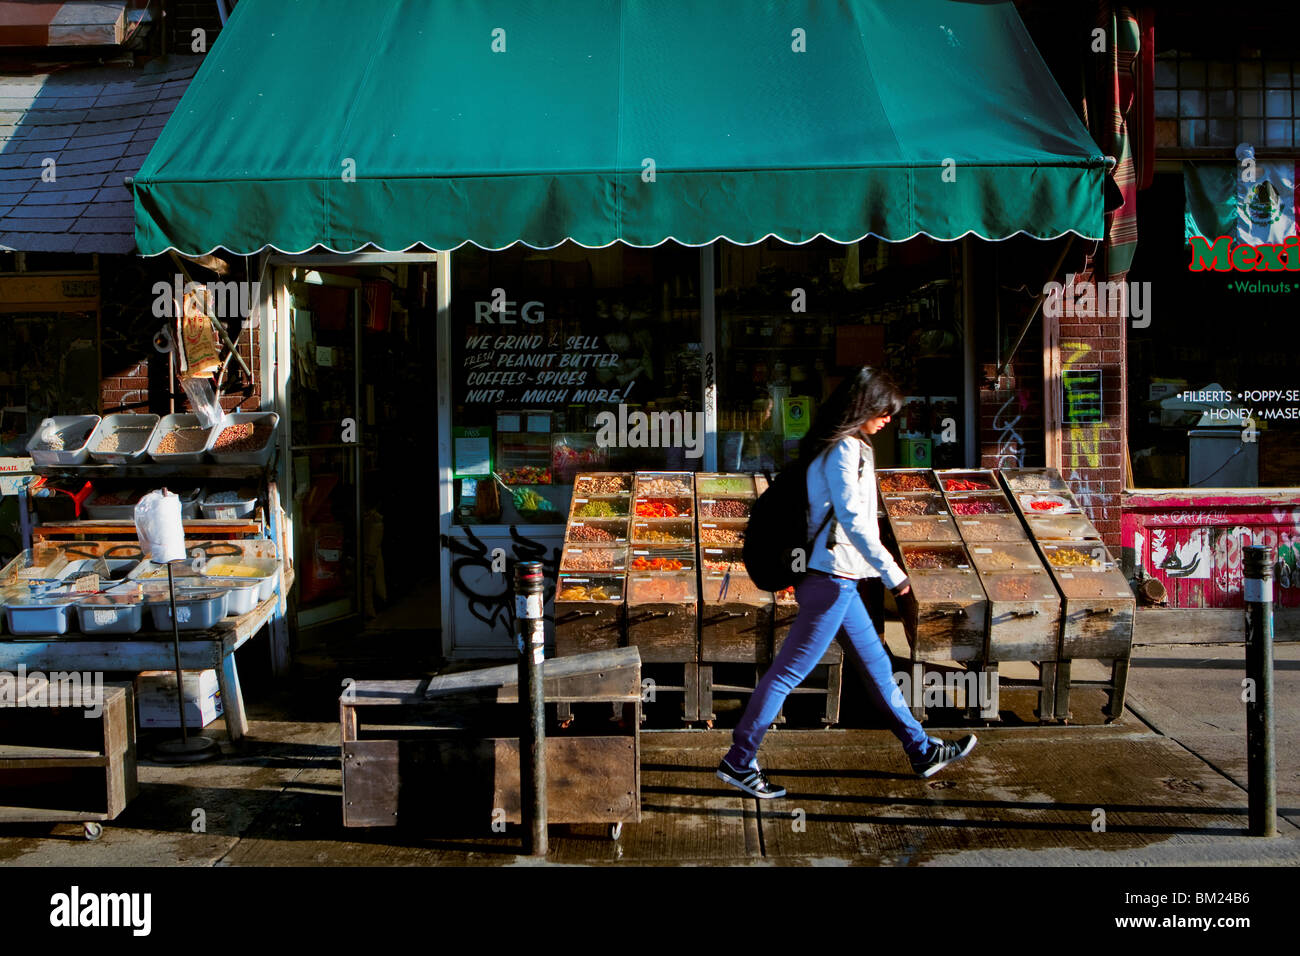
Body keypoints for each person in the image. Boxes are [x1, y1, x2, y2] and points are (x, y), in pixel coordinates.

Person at [717, 366, 976, 798]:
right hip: (833, 578)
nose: (889, 419)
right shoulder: (846, 449)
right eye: (885, 410)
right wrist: (895, 575)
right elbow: (854, 520)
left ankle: (921, 749)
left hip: (838, 579)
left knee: (878, 671)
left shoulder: (835, 445)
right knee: (786, 674)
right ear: (865, 404)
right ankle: (739, 759)